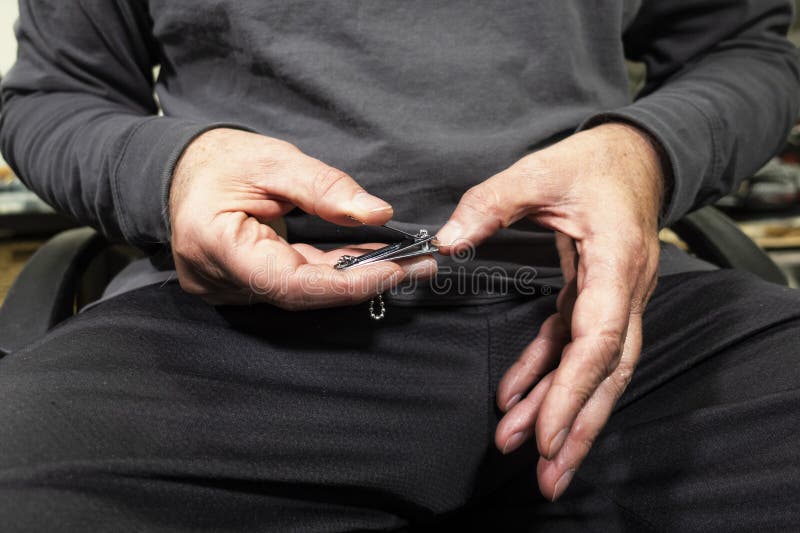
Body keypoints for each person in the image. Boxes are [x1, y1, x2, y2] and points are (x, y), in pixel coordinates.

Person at [1, 1, 799, 531]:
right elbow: (52, 94)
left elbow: (745, 51)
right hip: (226, 332)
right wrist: (172, 171)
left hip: (605, 318)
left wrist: (646, 153)